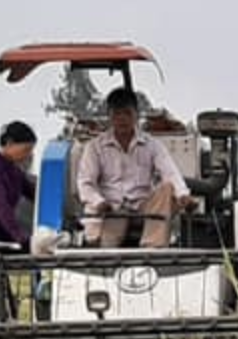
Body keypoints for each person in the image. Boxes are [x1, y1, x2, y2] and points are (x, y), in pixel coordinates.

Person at [75, 87, 196, 247]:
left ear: (137, 115)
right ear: (110, 117)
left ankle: (151, 248)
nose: (122, 119)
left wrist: (183, 195)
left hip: (143, 209)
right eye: (117, 114)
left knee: (166, 188)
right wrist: (99, 202)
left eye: (127, 113)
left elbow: (171, 173)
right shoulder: (94, 147)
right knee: (106, 248)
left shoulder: (152, 145)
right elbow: (85, 183)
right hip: (112, 210)